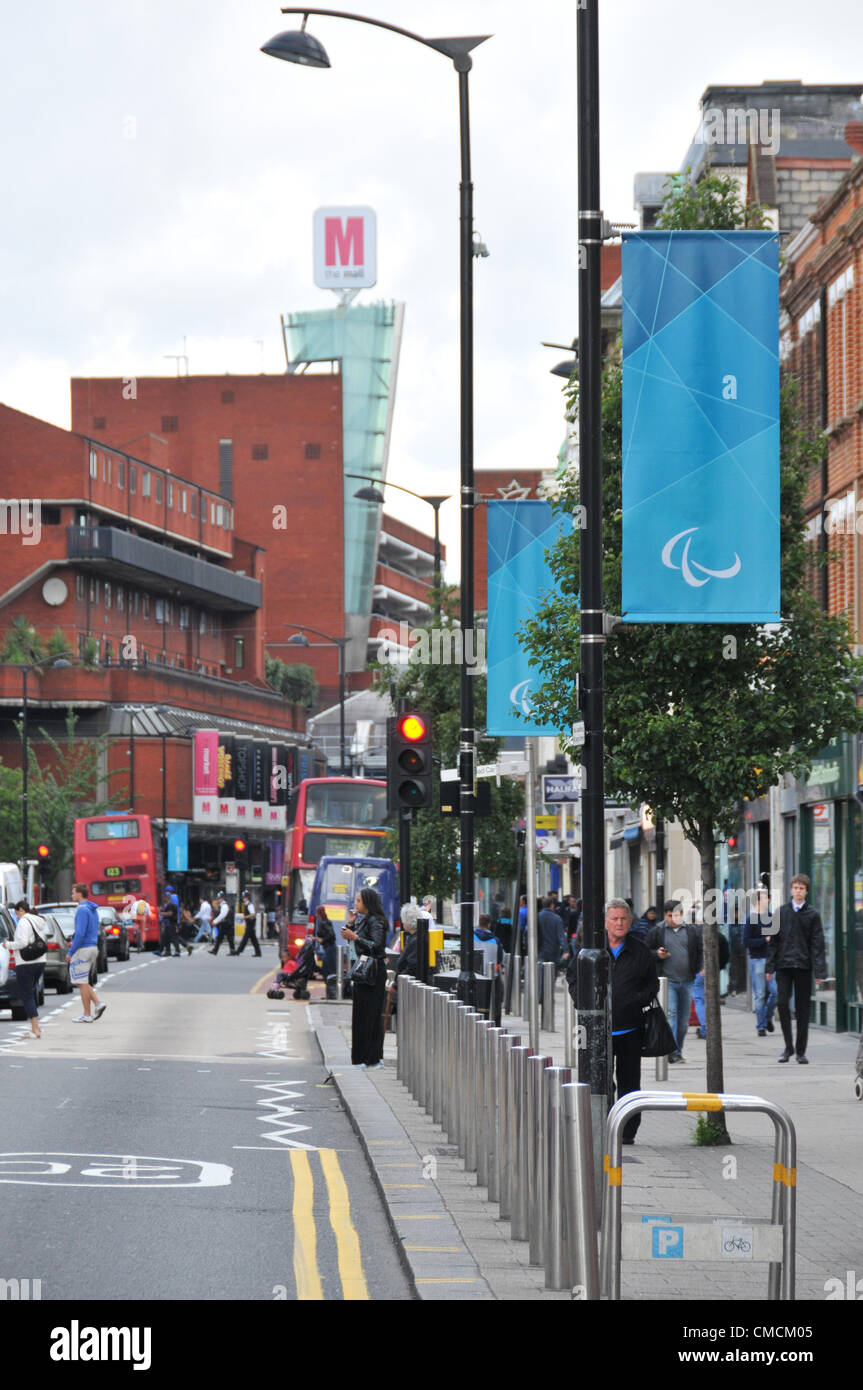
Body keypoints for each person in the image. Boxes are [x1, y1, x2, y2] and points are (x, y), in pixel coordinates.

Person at [567, 898, 657, 1144]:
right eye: (614, 919)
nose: (619, 923)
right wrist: (582, 1003)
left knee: (630, 1083)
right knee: (602, 1082)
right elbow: (572, 977)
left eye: (623, 919)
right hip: (598, 1030)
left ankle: (627, 1132)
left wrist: (635, 1000)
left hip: (630, 1029)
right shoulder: (592, 949)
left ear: (630, 921)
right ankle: (604, 1126)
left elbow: (652, 984)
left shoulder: (639, 951)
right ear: (605, 922)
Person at [766, 873, 826, 1065]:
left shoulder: (813, 915)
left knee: (802, 1009)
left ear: (806, 891)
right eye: (795, 887)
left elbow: (818, 944)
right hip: (784, 965)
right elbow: (773, 942)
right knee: (782, 1003)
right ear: (791, 890)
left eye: (801, 888)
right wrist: (770, 966)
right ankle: (788, 1047)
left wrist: (819, 971)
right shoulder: (780, 912)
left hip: (803, 966)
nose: (798, 891)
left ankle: (801, 1051)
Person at [647, 900, 702, 1063]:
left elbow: (700, 951)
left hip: (687, 980)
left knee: (683, 1021)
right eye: (670, 916)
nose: (673, 919)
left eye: (677, 915)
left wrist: (701, 967)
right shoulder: (657, 931)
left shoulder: (691, 931)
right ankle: (673, 1052)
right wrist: (657, 954)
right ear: (665, 915)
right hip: (667, 981)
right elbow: (645, 952)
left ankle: (678, 1049)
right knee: (671, 1016)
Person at [341, 886, 388, 1068]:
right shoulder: (365, 920)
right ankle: (361, 1058)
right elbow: (354, 940)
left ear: (368, 903)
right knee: (361, 1016)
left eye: (359, 900)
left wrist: (355, 936)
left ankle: (372, 1059)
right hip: (364, 972)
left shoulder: (377, 921)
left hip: (373, 973)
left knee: (370, 1016)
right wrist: (351, 924)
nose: (355, 903)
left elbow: (377, 946)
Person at [68, 883, 107, 1023]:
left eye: (73, 892)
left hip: (82, 948)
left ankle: (89, 1011)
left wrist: (71, 951)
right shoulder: (92, 908)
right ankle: (94, 1007)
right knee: (83, 981)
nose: (71, 895)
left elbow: (79, 933)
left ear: (79, 894)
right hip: (92, 947)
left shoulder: (82, 910)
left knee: (81, 981)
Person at [743, 888, 777, 1037]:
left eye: (767, 898)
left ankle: (767, 1017)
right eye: (764, 898)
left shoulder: (771, 917)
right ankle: (761, 1026)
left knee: (776, 992)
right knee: (760, 994)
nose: (767, 900)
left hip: (771, 960)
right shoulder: (751, 919)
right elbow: (745, 941)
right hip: (757, 960)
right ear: (757, 902)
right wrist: (764, 940)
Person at [12, 901, 47, 1039]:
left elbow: (22, 943)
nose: (17, 916)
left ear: (21, 910)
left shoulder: (23, 922)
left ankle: (35, 1029)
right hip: (40, 961)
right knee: (31, 994)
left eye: (16, 913)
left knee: (26, 995)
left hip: (26, 963)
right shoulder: (38, 921)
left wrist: (7, 944)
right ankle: (36, 1026)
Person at [388, 902, 421, 1002]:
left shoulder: (415, 940)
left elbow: (412, 966)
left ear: (407, 923)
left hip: (408, 988)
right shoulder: (413, 937)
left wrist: (396, 985)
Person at [157, 887, 191, 957]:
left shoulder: (172, 900)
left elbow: (171, 912)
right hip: (172, 921)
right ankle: (165, 951)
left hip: (171, 922)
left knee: (174, 937)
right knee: (166, 937)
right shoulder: (174, 898)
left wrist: (161, 913)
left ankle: (178, 950)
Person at [314, 906, 338, 997]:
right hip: (328, 948)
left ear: (318, 913)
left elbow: (332, 935)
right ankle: (330, 993)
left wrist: (322, 940)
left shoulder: (324, 923)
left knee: (329, 970)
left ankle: (333, 993)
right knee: (327, 970)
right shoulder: (324, 922)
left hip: (330, 948)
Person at [236, 893, 262, 957]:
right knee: (253, 939)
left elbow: (253, 914)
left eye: (244, 897)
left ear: (247, 898)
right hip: (249, 923)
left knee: (245, 938)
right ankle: (258, 953)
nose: (243, 899)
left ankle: (238, 951)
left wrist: (244, 917)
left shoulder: (250, 905)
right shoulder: (246, 905)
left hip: (250, 923)